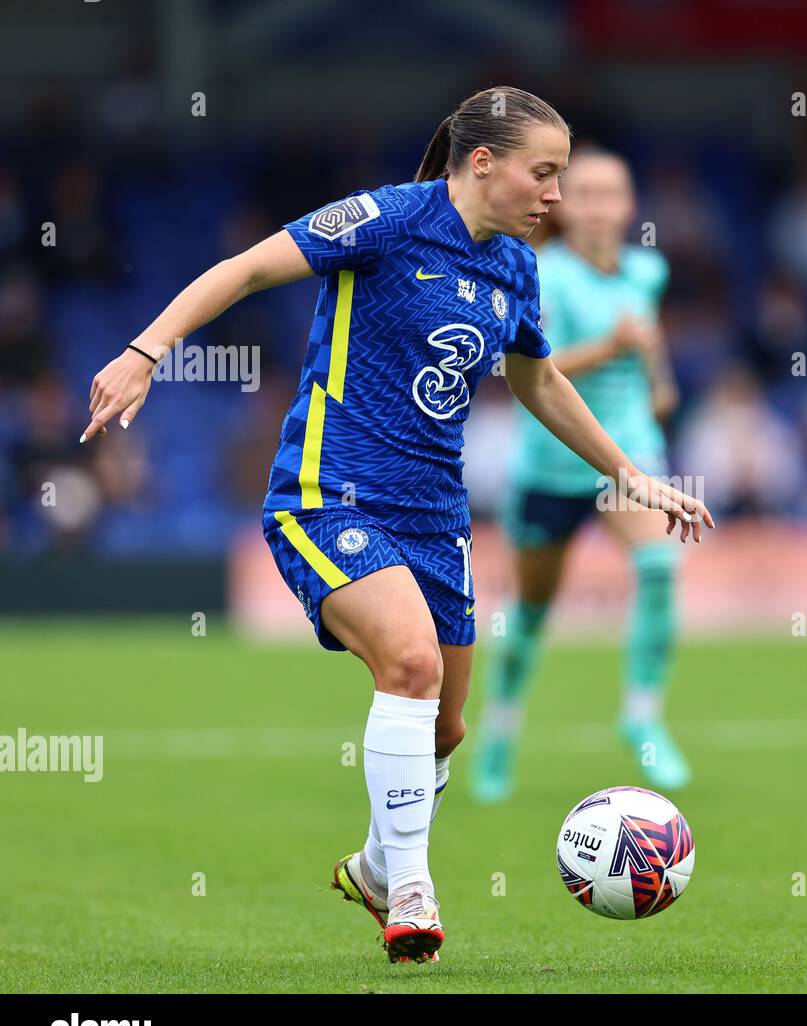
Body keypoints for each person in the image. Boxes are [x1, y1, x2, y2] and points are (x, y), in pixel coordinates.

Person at [80, 87, 713, 965]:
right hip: (328, 490)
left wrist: (631, 475)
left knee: (446, 728)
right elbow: (249, 269)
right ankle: (411, 890)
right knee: (410, 662)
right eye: (545, 172)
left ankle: (378, 864)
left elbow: (538, 383)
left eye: (563, 176)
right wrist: (145, 351)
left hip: (434, 514)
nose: (557, 196)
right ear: (483, 163)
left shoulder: (516, 266)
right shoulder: (385, 217)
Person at [471, 147, 691, 802]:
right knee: (530, 615)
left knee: (659, 566)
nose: (597, 205)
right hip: (550, 462)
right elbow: (534, 369)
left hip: (628, 454)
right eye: (584, 193)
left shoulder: (648, 270)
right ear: (566, 208)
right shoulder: (542, 272)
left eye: (610, 193)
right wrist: (612, 347)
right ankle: (500, 732)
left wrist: (660, 380)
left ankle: (643, 717)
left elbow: (648, 339)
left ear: (629, 206)